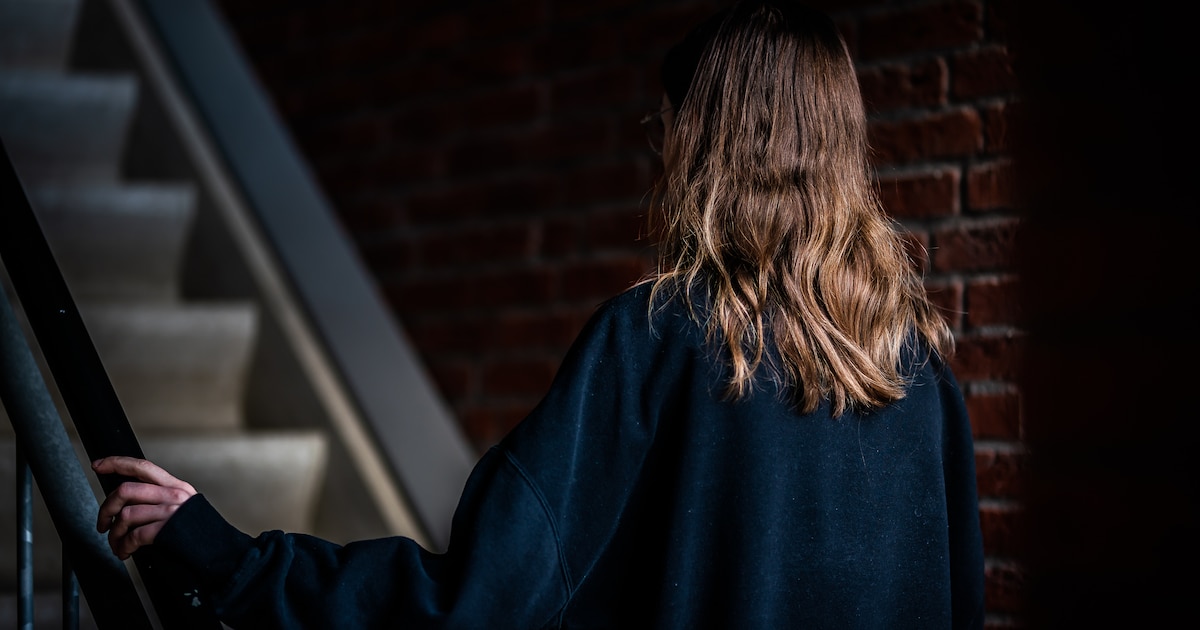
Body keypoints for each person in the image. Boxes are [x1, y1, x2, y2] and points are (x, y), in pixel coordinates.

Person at [93, 2, 985, 628]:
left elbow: (479, 602)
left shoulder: (657, 341)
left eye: (667, 130)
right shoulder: (924, 384)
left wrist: (228, 557)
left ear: (702, 145)